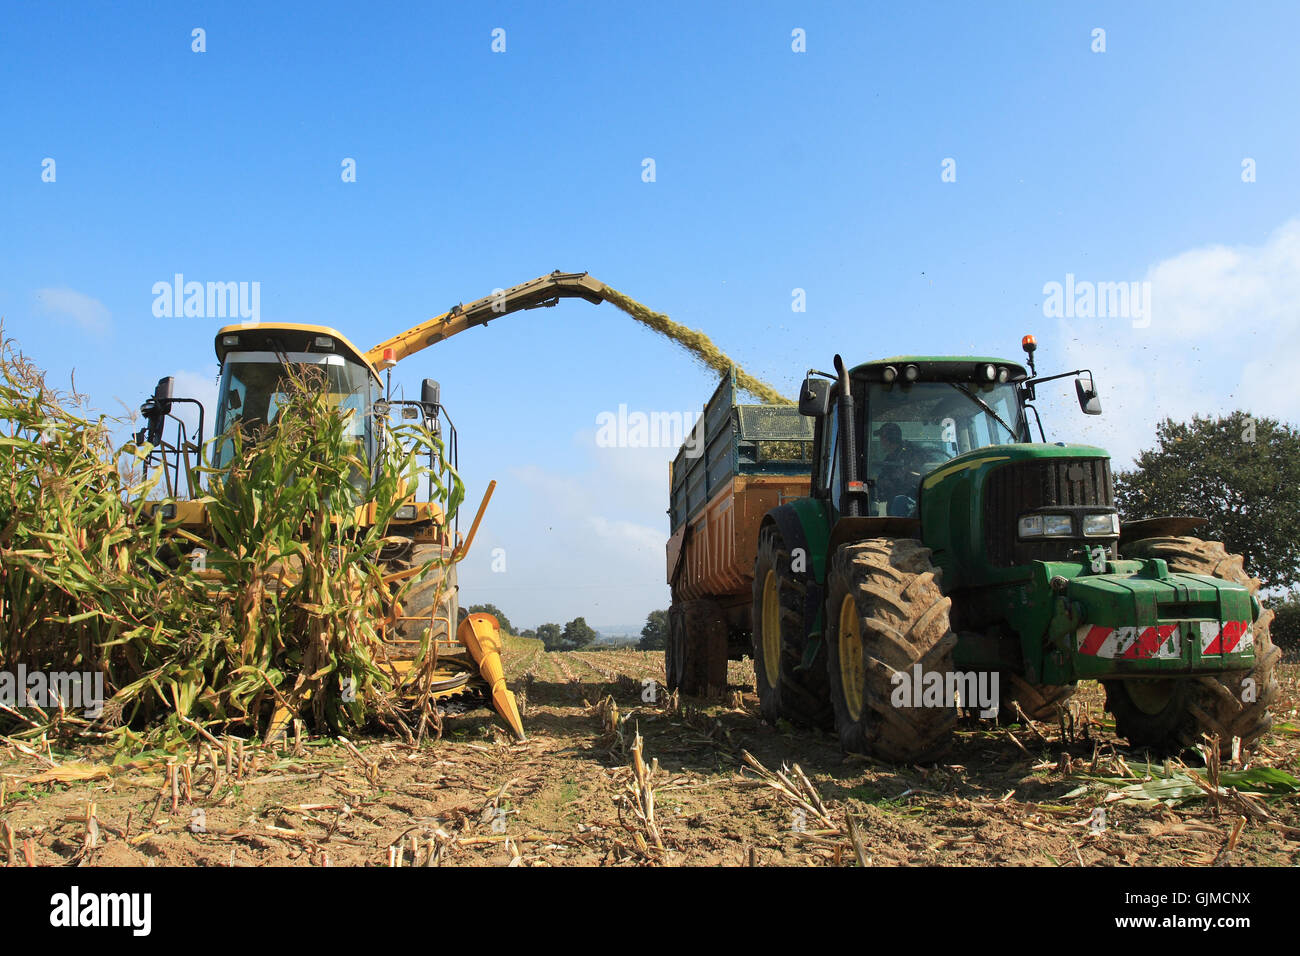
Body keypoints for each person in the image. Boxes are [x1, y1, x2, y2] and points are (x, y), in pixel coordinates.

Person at [874, 422, 921, 517]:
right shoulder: (890, 459)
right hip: (895, 505)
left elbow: (909, 479)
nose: (881, 442)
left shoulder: (911, 454)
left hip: (909, 507)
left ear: (887, 439)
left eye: (882, 438)